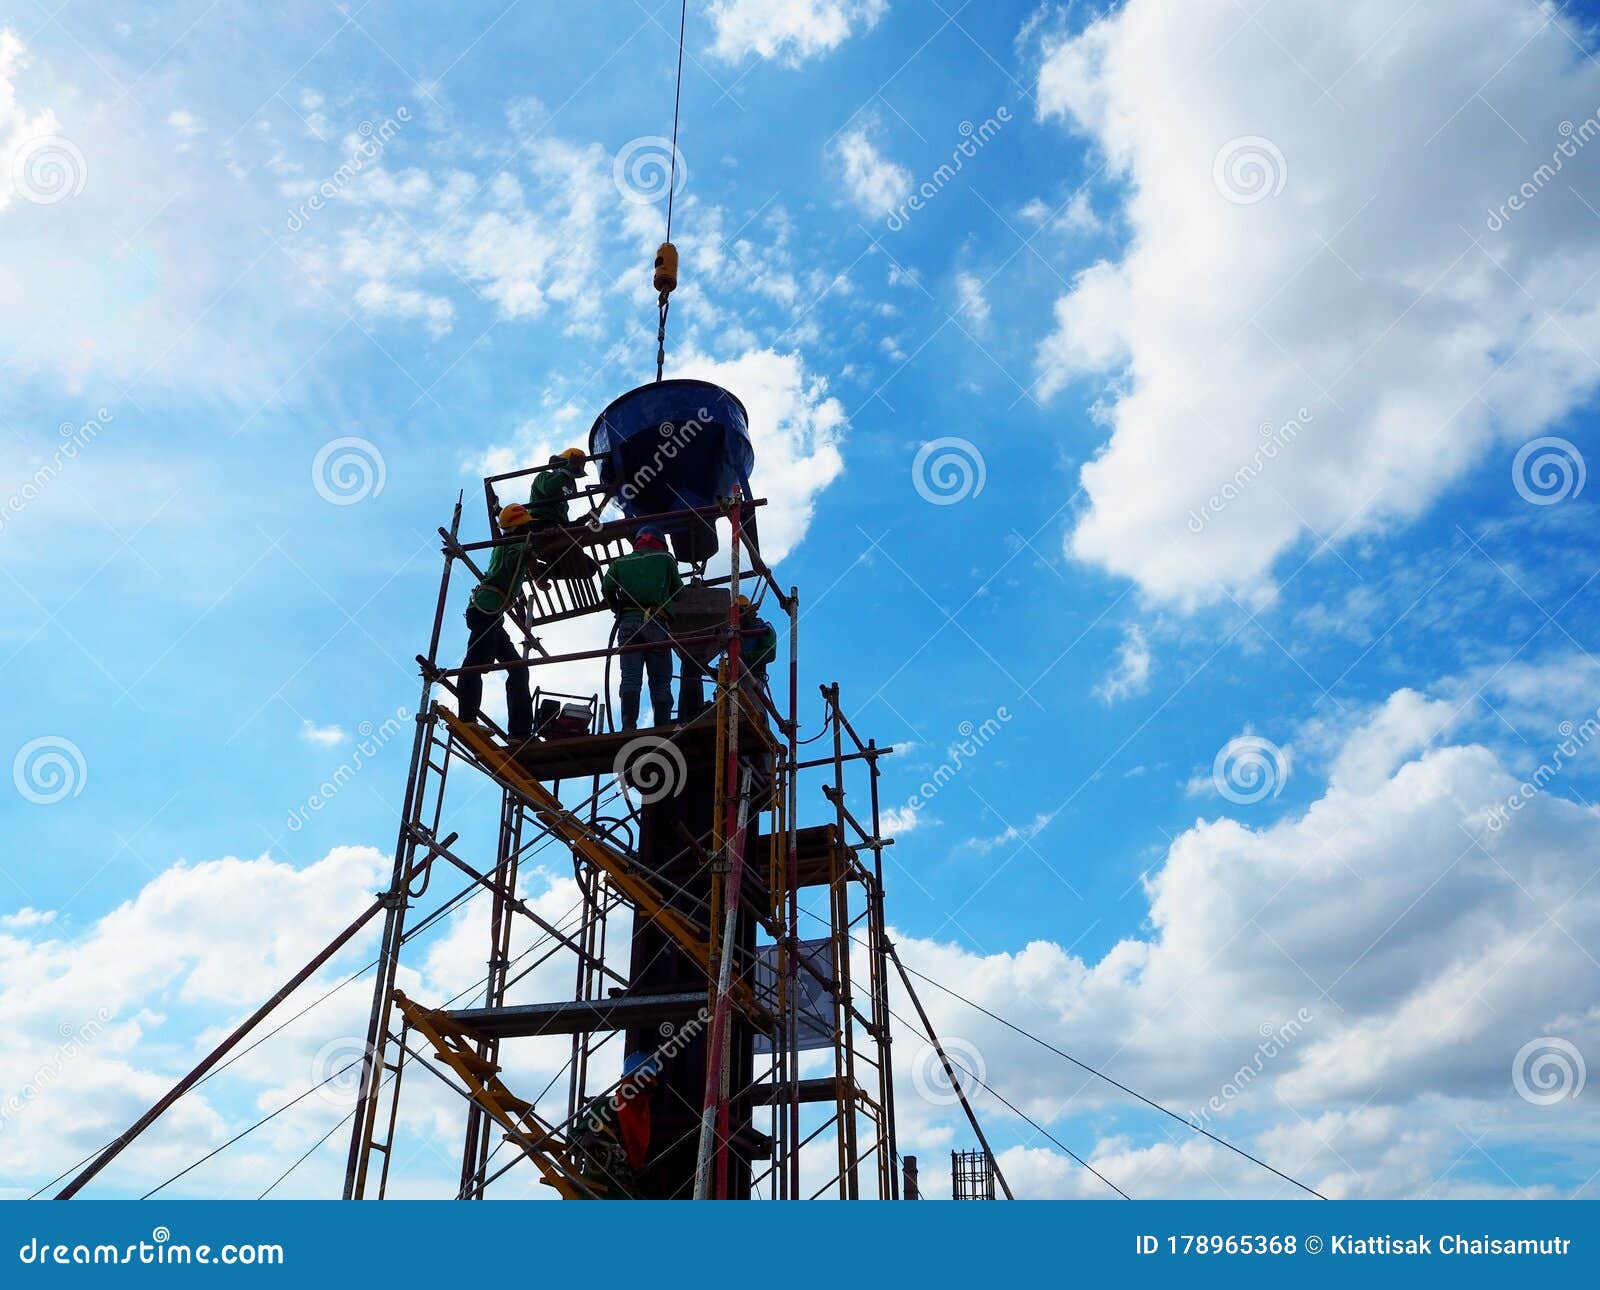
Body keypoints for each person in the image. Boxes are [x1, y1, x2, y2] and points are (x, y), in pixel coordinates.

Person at [458, 504, 535, 741]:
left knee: (518, 669)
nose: (529, 530)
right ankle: (467, 720)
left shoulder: (512, 545)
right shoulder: (511, 548)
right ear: (516, 529)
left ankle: (519, 734)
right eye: (526, 527)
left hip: (492, 613)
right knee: (476, 663)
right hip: (485, 611)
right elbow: (523, 552)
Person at [601, 525, 683, 730]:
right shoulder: (666, 559)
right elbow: (679, 592)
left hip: (628, 623)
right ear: (661, 544)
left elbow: (607, 588)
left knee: (630, 677)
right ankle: (661, 727)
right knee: (661, 682)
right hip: (657, 622)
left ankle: (629, 726)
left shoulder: (620, 562)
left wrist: (617, 607)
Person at [567, 1052, 659, 1199]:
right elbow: (572, 1138)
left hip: (622, 1188)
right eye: (636, 1084)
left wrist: (638, 1167)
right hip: (598, 1189)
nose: (640, 1092)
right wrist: (586, 1140)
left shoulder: (643, 1120)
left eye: (646, 1087)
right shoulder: (609, 1108)